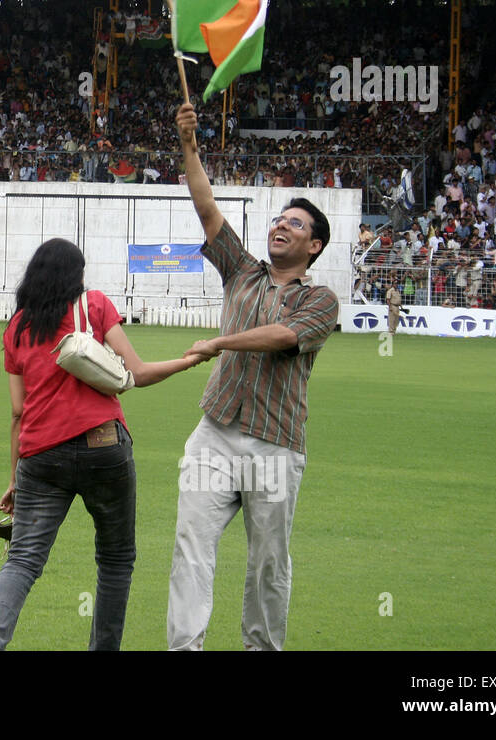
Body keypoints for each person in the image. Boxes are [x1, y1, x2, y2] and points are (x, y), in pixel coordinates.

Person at [0, 238, 206, 651]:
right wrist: (189, 361)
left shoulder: (17, 327)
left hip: (40, 455)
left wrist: (14, 480)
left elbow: (17, 411)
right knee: (115, 561)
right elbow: (136, 373)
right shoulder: (94, 305)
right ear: (75, 276)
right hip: (104, 446)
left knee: (23, 561)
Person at [169, 101, 339, 651]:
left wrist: (219, 341)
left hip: (275, 447)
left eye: (295, 223)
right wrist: (190, 146)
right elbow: (206, 206)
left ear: (313, 245)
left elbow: (284, 338)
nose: (281, 226)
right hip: (214, 436)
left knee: (268, 564)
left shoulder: (320, 299)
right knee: (191, 545)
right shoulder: (242, 269)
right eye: (278, 219)